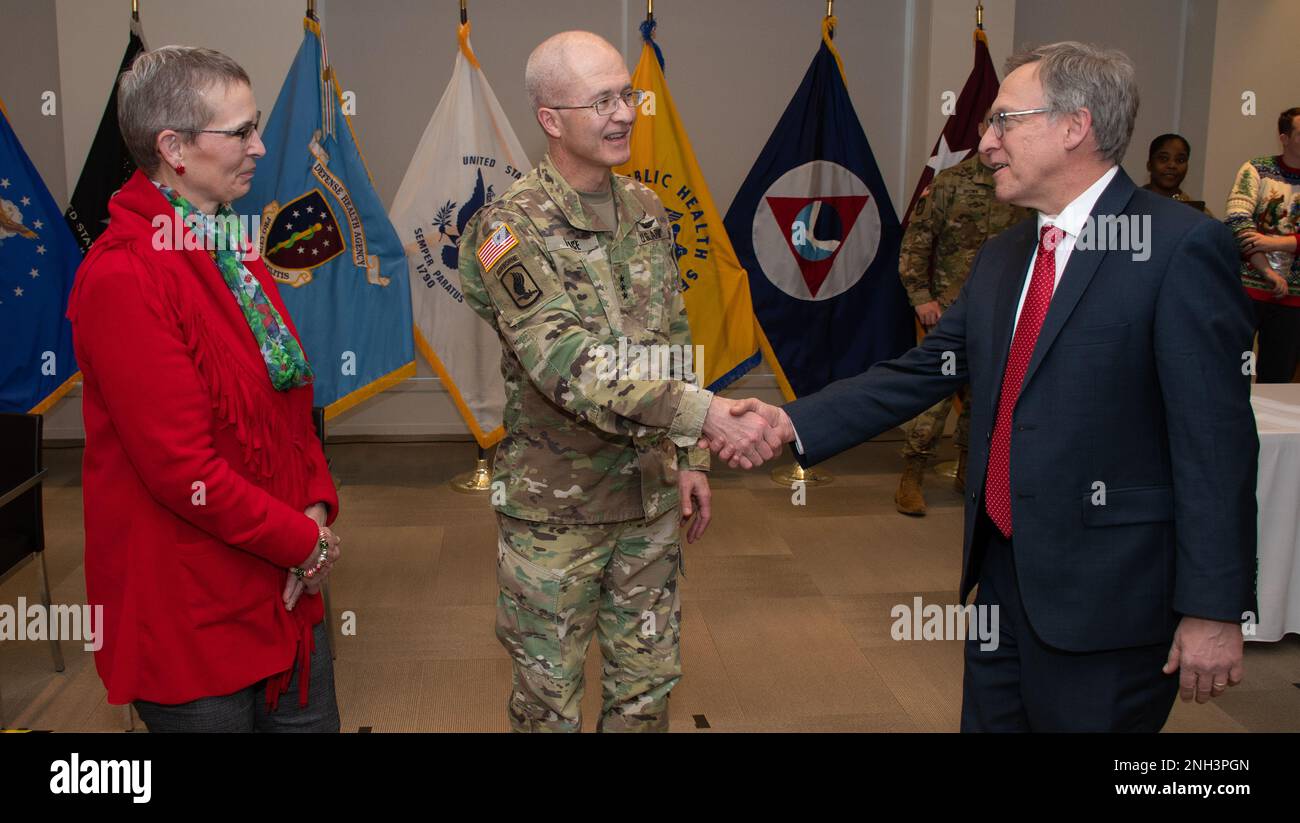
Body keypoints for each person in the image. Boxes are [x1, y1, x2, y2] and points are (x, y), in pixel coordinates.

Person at [708, 42, 1257, 732]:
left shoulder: (1179, 246)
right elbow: (925, 368)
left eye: (1003, 121)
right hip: (999, 579)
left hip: (1109, 602)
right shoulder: (1006, 254)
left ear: (1074, 126)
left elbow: (1216, 444)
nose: (983, 140)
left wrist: (1212, 606)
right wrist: (790, 421)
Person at [457, 31, 777, 732]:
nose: (625, 113)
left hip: (648, 498)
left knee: (647, 689)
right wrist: (706, 416)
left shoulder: (647, 210)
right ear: (551, 118)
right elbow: (566, 362)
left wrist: (689, 458)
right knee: (550, 703)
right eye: (601, 100)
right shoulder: (508, 229)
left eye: (625, 95)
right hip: (555, 515)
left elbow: (672, 339)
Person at [67, 46, 343, 732]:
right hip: (193, 603)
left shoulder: (231, 242)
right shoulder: (123, 276)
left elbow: (288, 395)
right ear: (174, 148)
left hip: (284, 580)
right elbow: (181, 470)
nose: (260, 145)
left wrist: (313, 509)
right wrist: (301, 542)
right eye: (241, 131)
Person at [896, 123, 1031, 515]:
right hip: (951, 313)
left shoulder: (1024, 186)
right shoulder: (950, 184)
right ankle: (912, 474)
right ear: (981, 128)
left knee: (986, 397)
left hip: (1006, 311)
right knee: (933, 396)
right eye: (994, 122)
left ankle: (970, 473)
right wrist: (921, 297)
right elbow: (916, 243)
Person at [1224, 107, 1300, 383]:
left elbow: (1261, 237)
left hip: (1294, 299)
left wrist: (1272, 241)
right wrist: (1266, 270)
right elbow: (1236, 221)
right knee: (1235, 368)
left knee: (1278, 376)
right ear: (1284, 137)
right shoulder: (1256, 169)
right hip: (1248, 290)